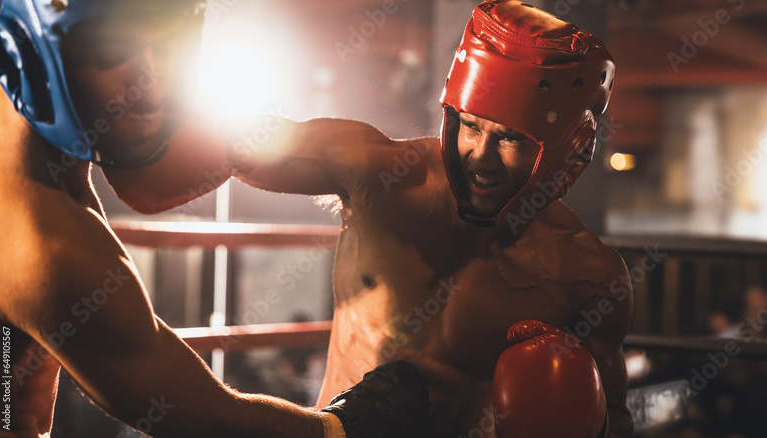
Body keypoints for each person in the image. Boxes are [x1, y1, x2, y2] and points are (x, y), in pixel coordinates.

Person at [104, 0, 634, 436]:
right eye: (470, 126)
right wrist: (133, 98)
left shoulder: (587, 276)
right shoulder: (384, 175)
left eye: (512, 139)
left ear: (569, 151)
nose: (480, 157)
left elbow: (616, 420)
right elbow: (238, 143)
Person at [0, 1, 429, 437]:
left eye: (167, 45)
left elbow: (148, 175)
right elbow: (202, 417)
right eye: (112, 51)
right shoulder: (44, 248)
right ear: (25, 51)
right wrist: (343, 427)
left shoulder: (29, 116)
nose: (150, 83)